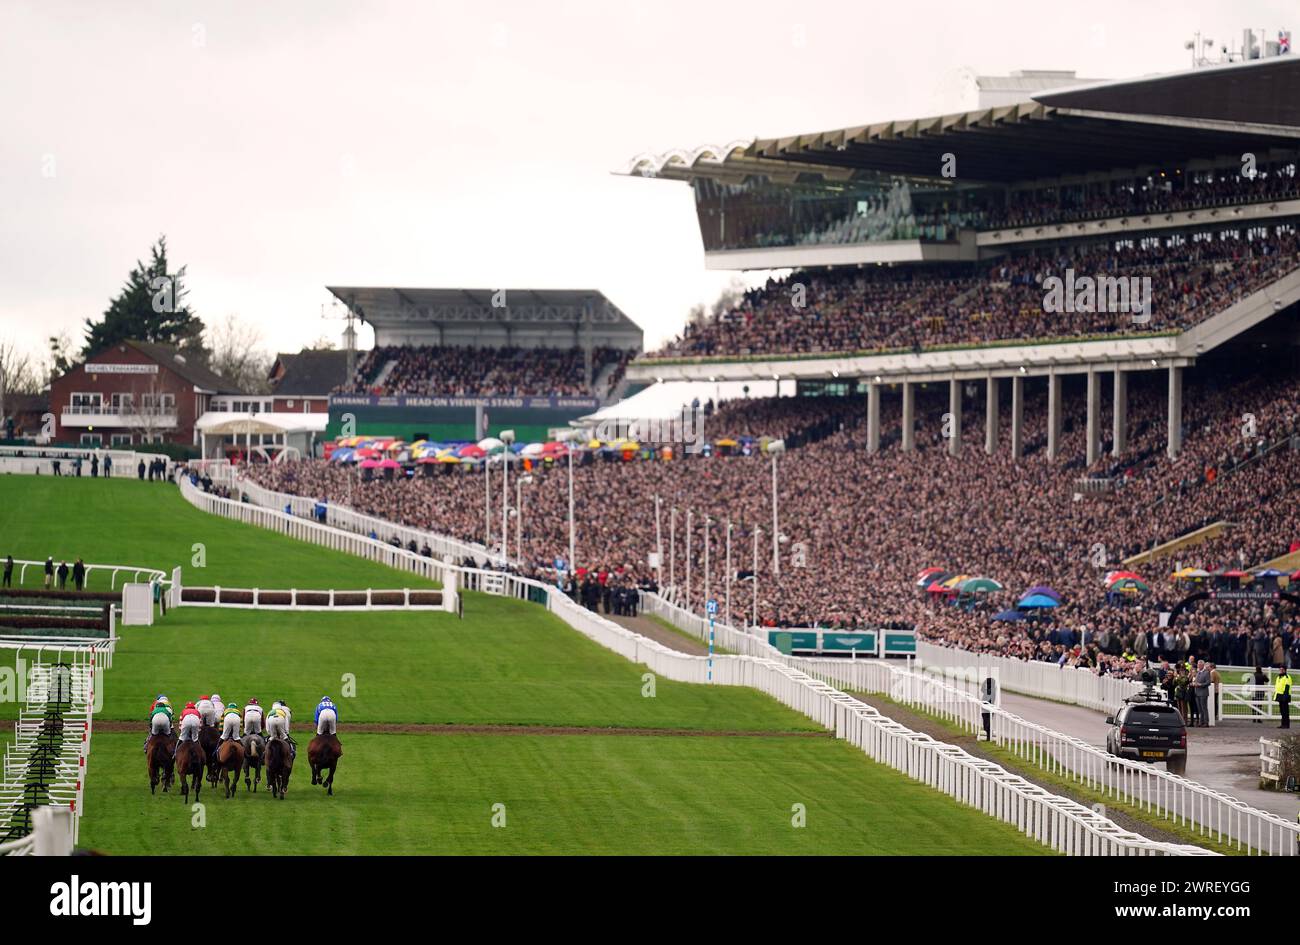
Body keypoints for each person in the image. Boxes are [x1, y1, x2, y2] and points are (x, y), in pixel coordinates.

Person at [1276, 665, 1293, 729]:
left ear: (1285, 670)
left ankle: (1286, 725)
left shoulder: (1287, 677)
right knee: (1282, 711)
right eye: (1280, 669)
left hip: (1284, 696)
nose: (1281, 670)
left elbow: (1287, 687)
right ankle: (1283, 724)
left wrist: (1285, 697)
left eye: (1282, 669)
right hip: (1280, 696)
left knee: (1285, 711)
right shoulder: (1279, 677)